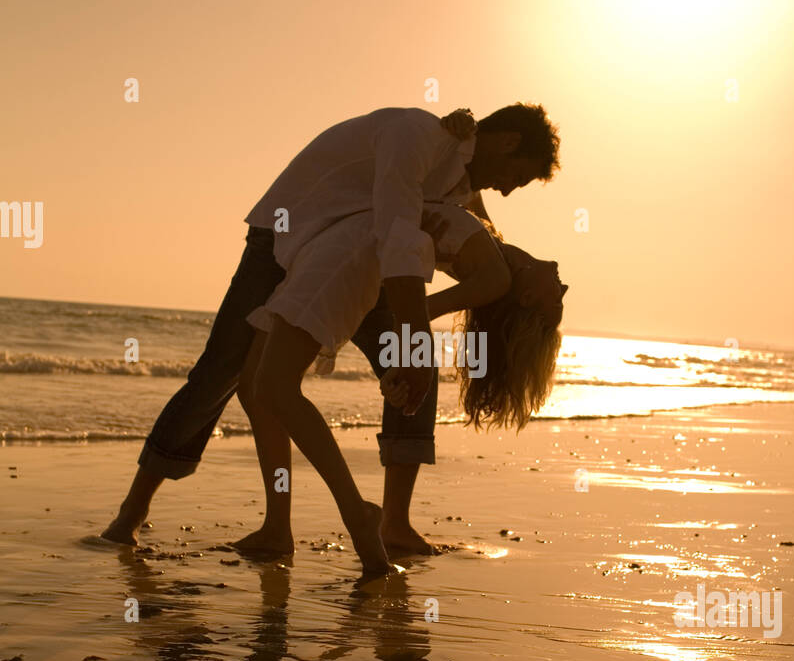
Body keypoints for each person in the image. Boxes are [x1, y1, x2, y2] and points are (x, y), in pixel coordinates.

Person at [101, 102, 562, 550]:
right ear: (508, 140)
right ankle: (134, 513)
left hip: (352, 257)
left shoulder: (462, 185)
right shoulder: (417, 135)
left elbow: (481, 246)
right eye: (517, 176)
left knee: (410, 368)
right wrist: (416, 331)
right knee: (223, 372)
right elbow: (400, 232)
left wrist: (518, 298)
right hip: (284, 238)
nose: (507, 190)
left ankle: (393, 524)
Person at [236, 199, 566, 573]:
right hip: (362, 261)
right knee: (255, 387)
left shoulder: (497, 278)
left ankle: (381, 521)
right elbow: (463, 191)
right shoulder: (494, 246)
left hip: (367, 273)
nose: (563, 281)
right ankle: (289, 524)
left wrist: (401, 361)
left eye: (558, 297)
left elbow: (422, 309)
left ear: (525, 298)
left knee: (266, 387)